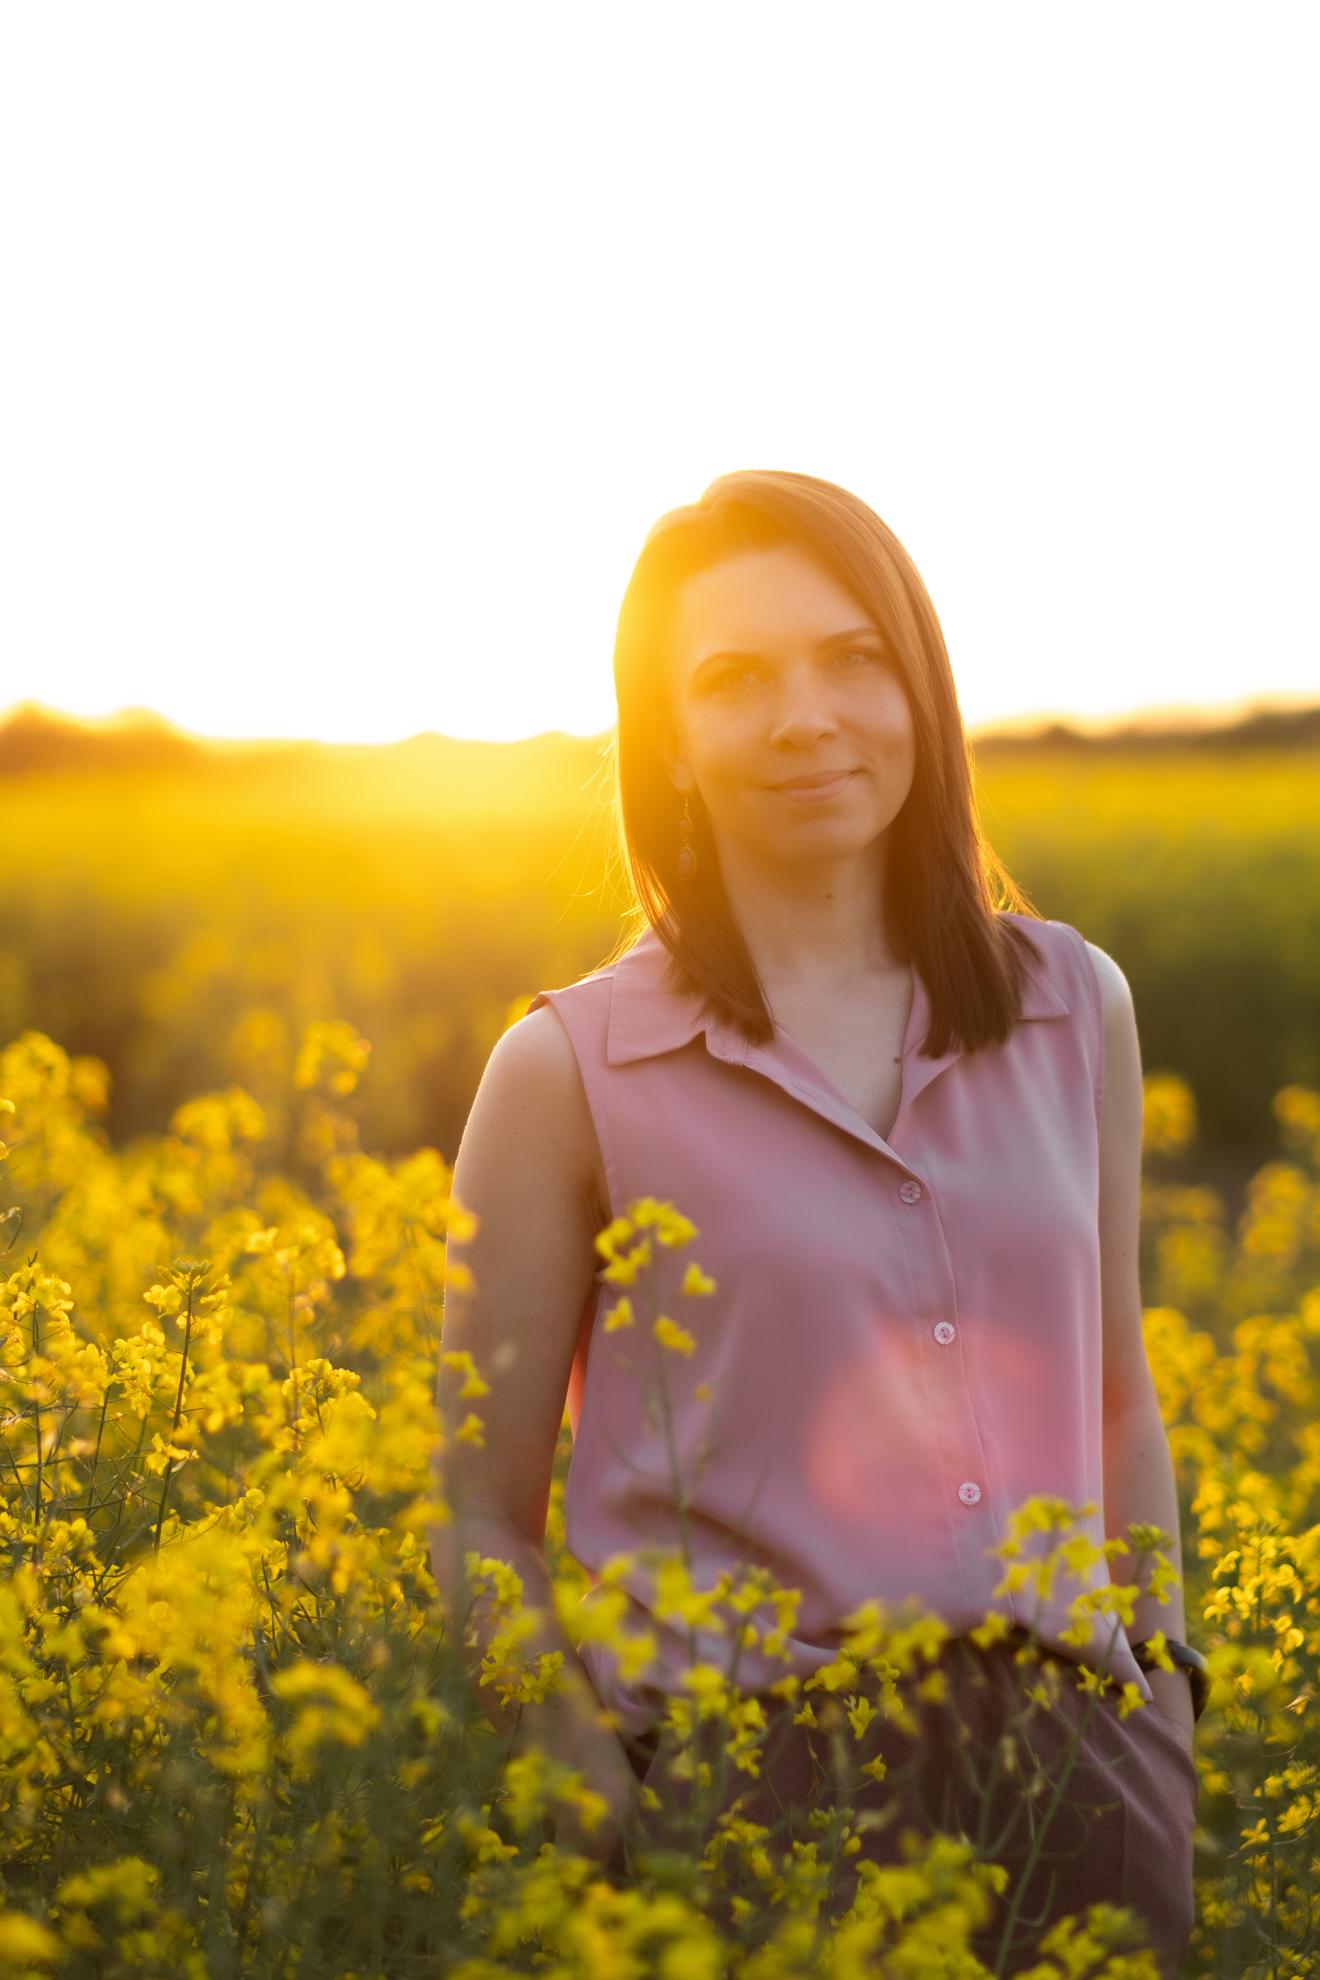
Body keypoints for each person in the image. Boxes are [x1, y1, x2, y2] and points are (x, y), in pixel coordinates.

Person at [430, 472, 1203, 1976]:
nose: (806, 717)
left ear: (920, 685)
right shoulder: (566, 1073)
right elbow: (475, 1514)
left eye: (854, 658)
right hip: (751, 1789)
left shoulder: (1072, 1005)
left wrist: (1158, 1689)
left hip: (1081, 1782)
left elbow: (1116, 1393)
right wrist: (588, 1781)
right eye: (734, 679)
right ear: (667, 739)